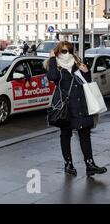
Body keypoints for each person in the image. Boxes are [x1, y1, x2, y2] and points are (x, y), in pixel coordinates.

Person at [46, 41, 107, 177]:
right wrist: (51, 59)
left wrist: (86, 72)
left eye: (69, 50)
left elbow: (86, 82)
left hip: (81, 104)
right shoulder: (56, 65)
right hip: (66, 107)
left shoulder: (77, 64)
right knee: (66, 134)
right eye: (63, 51)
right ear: (58, 52)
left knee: (85, 134)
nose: (67, 53)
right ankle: (68, 164)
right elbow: (52, 77)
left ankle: (90, 165)